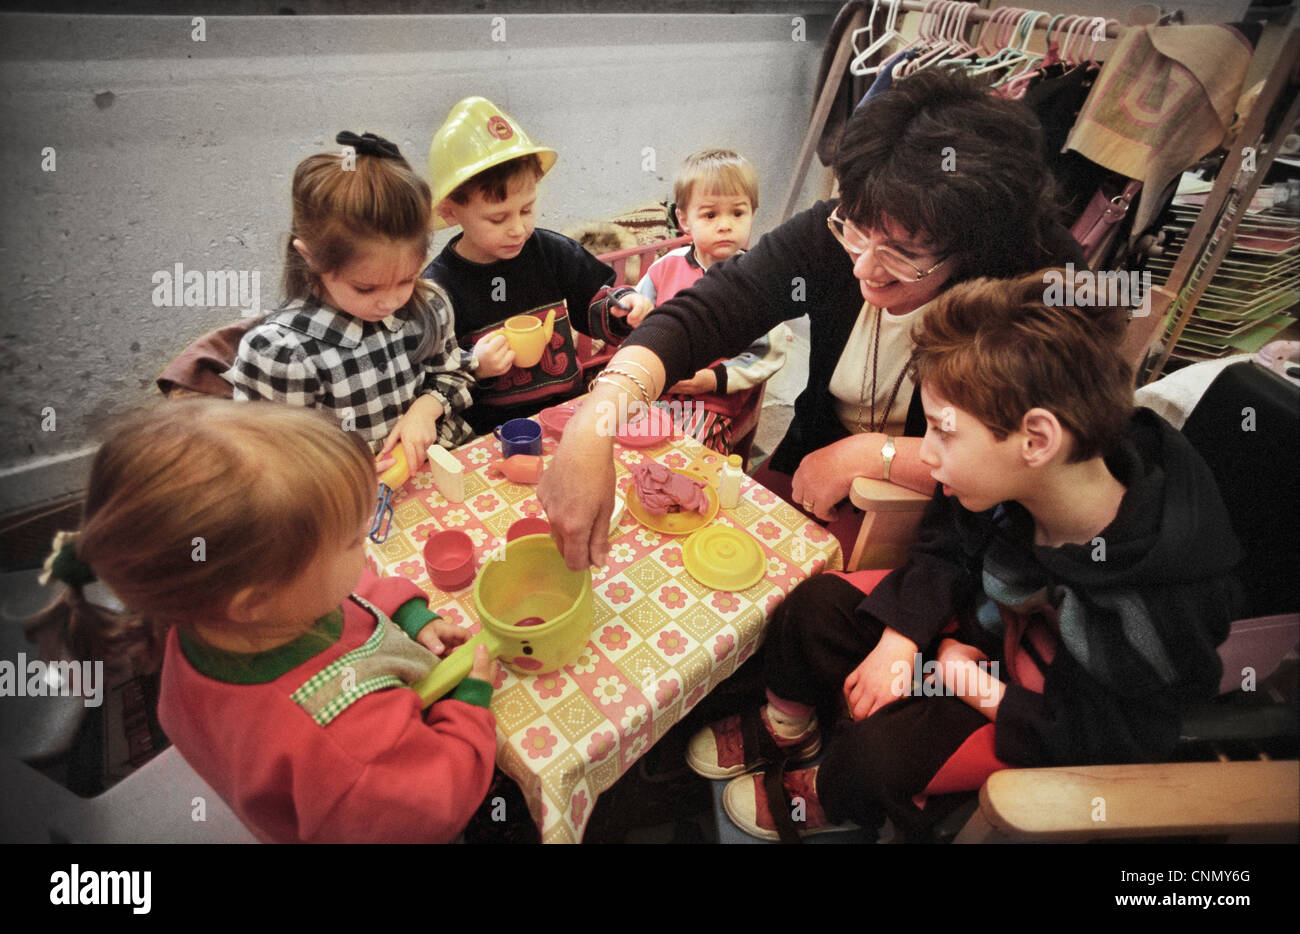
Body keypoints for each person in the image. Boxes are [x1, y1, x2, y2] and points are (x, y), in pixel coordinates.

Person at [686, 270, 1240, 841]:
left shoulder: (1164, 598)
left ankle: (827, 796)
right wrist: (905, 641)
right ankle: (790, 727)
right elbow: (948, 546)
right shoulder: (1006, 483)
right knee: (817, 606)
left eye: (945, 435)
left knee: (876, 758)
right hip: (978, 633)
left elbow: (1116, 743)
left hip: (1041, 706)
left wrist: (970, 682)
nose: (925, 457)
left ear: (1037, 440)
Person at [540, 68, 1089, 570]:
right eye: (856, 228)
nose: (865, 269)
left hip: (956, 531)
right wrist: (597, 421)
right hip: (814, 459)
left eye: (902, 253)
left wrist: (876, 456)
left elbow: (1040, 462)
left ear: (973, 246)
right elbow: (711, 309)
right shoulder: (834, 232)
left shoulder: (1041, 278)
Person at [33, 399, 499, 843]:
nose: (366, 552)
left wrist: (409, 614)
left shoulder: (210, 617)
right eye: (353, 542)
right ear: (254, 602)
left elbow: (348, 593)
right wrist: (468, 706)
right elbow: (432, 808)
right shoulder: (338, 738)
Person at [226, 131, 473, 475]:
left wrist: (425, 409)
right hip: (347, 498)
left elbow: (453, 374)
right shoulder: (282, 353)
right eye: (365, 288)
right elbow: (275, 461)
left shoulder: (428, 305)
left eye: (405, 279)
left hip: (444, 467)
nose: (390, 301)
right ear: (310, 257)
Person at [425, 97, 654, 436]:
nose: (517, 228)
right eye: (498, 218)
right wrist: (476, 366)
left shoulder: (551, 251)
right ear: (449, 212)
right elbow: (434, 379)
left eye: (527, 209)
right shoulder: (439, 287)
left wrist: (625, 307)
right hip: (491, 432)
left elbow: (595, 297)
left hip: (569, 412)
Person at [633, 149, 792, 454]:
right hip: (656, 384)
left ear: (753, 214)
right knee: (612, 428)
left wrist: (712, 379)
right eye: (710, 214)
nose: (725, 225)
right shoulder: (664, 267)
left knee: (689, 452)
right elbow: (638, 322)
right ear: (684, 220)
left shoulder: (760, 278)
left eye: (737, 213)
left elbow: (769, 353)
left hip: (713, 398)